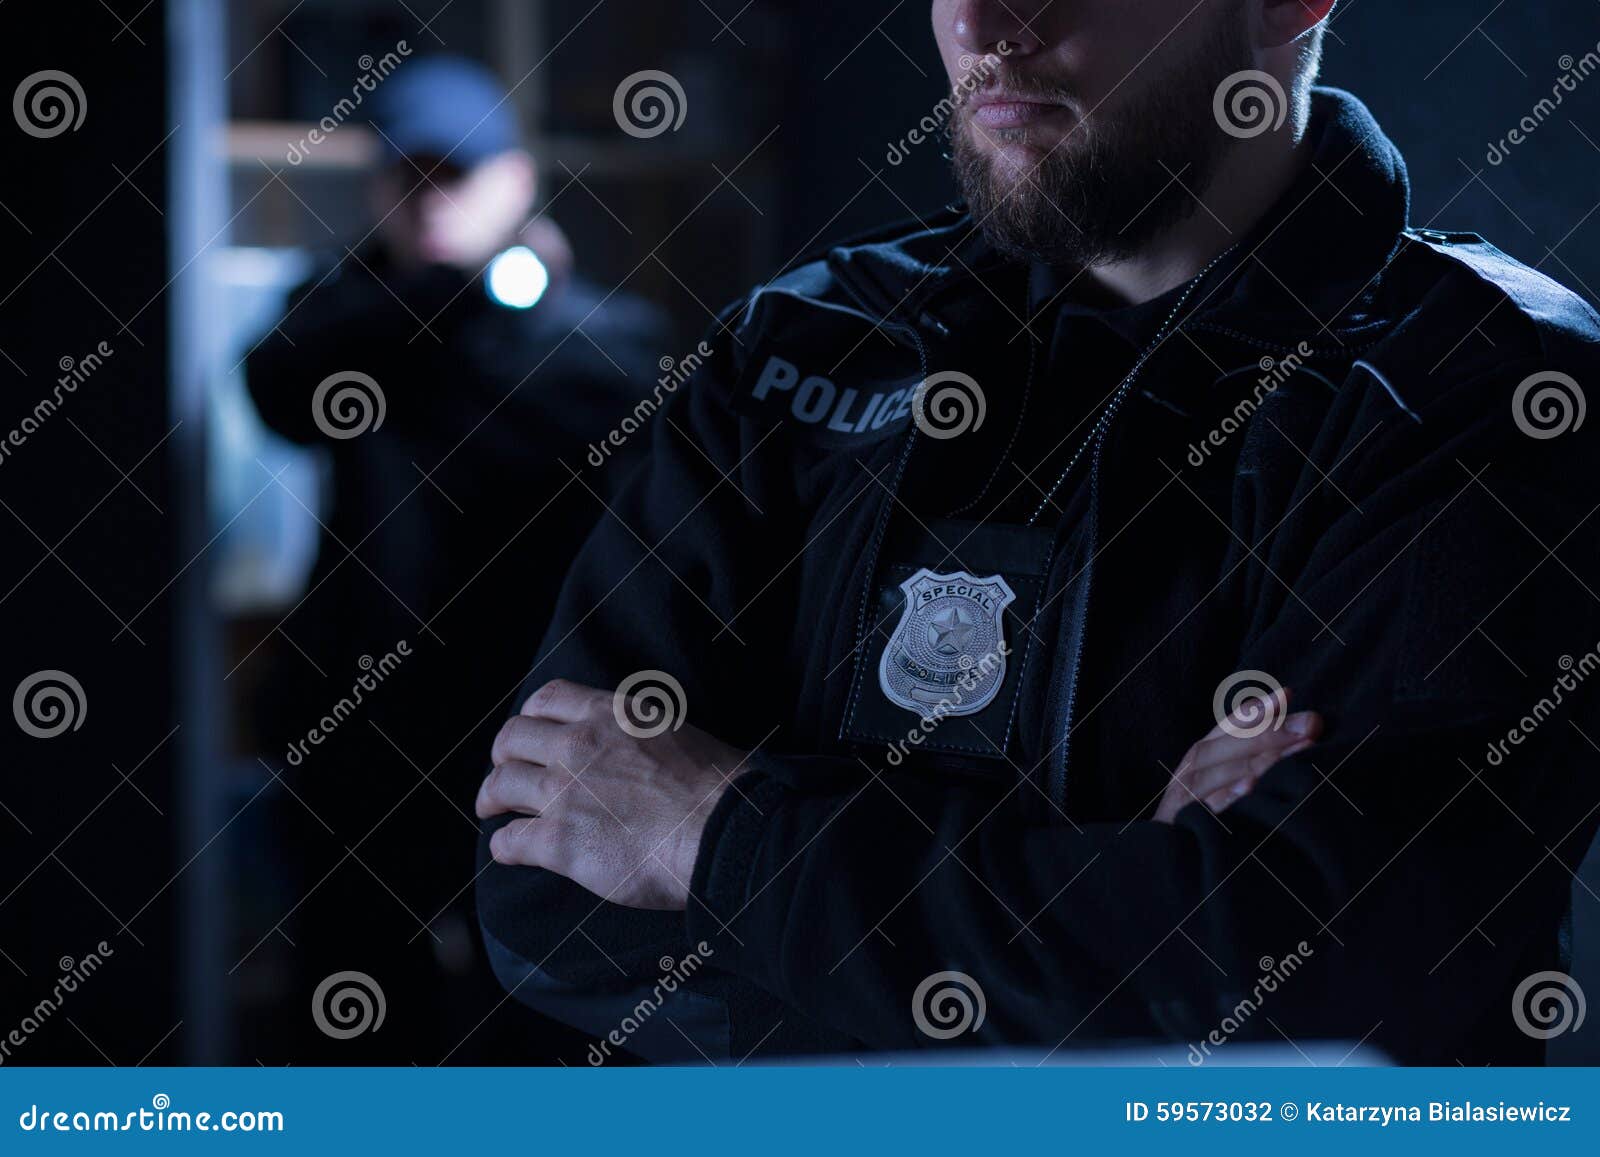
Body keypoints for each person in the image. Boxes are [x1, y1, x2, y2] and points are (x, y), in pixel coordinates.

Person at [474, 0, 1600, 1065]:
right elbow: (545, 905)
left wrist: (717, 841)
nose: (981, 26)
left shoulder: (1481, 385)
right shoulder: (807, 344)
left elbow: (1303, 988)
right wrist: (1113, 902)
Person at [245, 56, 672, 1060]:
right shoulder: (351, 322)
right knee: (351, 1008)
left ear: (517, 182)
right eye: (404, 175)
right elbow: (278, 385)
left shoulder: (595, 339)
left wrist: (492, 295)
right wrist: (446, 288)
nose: (428, 199)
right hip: (360, 726)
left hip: (528, 731)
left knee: (527, 1014)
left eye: (456, 175)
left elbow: (592, 392)